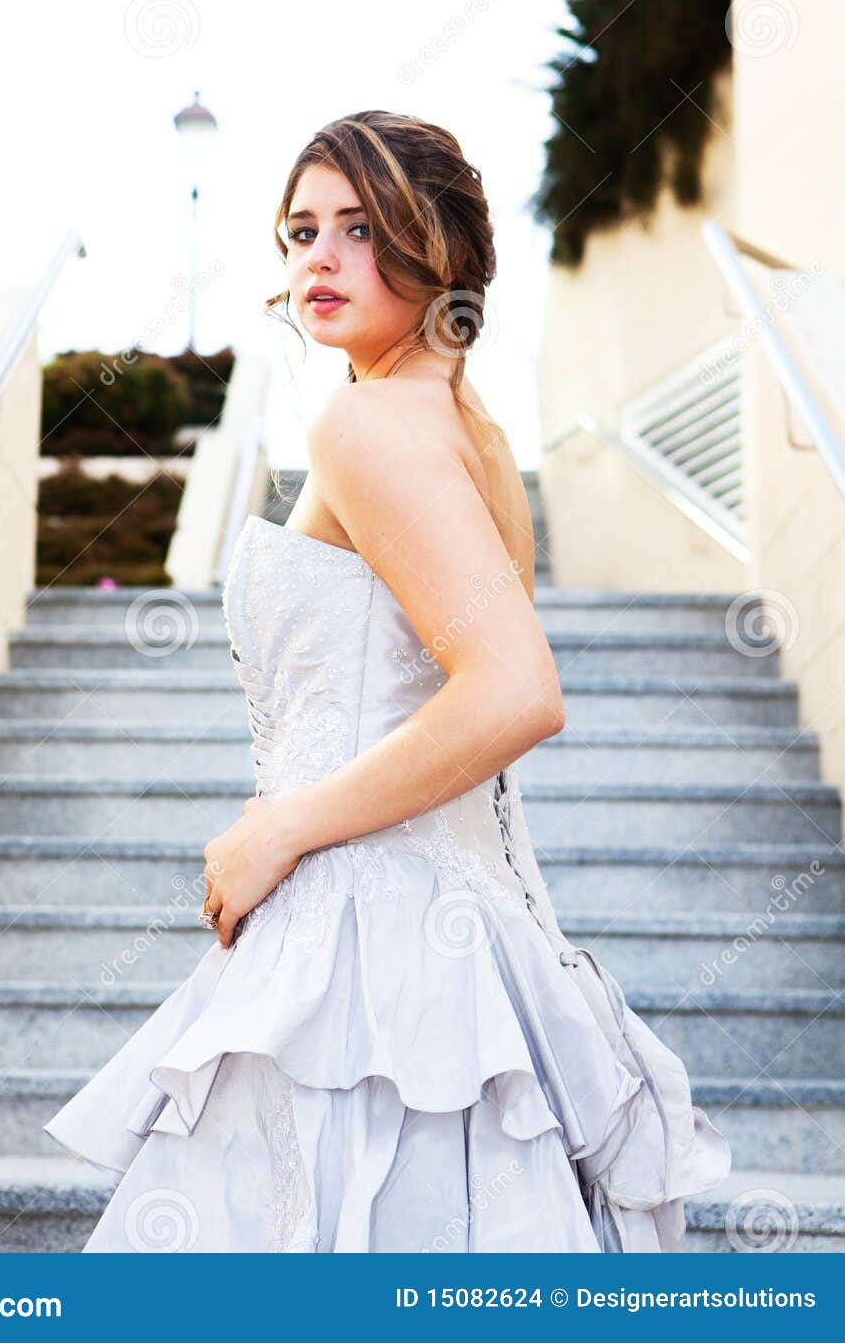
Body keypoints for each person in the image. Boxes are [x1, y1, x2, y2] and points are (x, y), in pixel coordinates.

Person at [43, 109, 730, 1252]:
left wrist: (279, 830)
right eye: (300, 228)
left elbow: (512, 691)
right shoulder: (463, 427)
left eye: (360, 228)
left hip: (366, 944)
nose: (317, 256)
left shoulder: (364, 424)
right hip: (430, 931)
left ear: (439, 251)